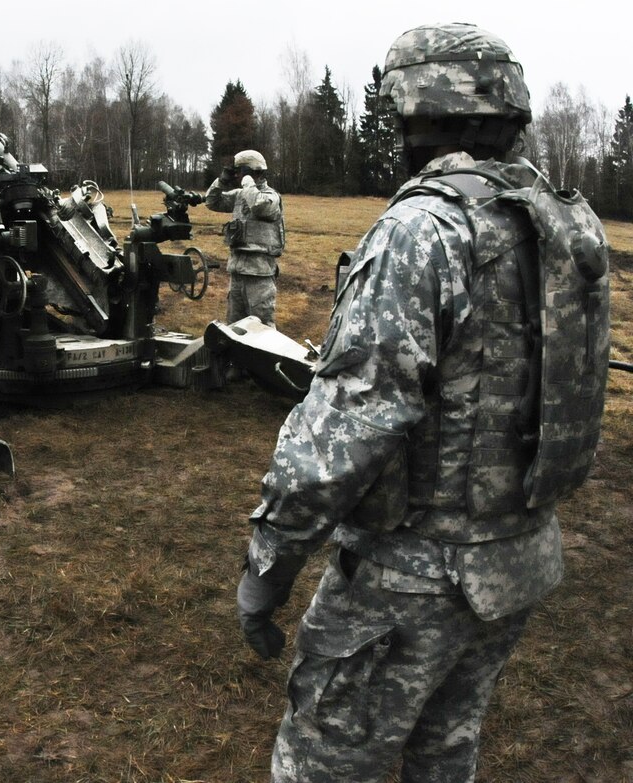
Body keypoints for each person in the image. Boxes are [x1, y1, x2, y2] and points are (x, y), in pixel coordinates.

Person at [235, 23, 609, 782]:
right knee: (445, 748)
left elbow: (346, 428)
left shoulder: (423, 230)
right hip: (517, 563)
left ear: (419, 113)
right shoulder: (565, 220)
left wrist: (268, 565)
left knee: (323, 764)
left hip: (409, 579)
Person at [205, 149, 285, 326]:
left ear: (252, 171)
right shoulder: (240, 195)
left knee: (261, 327)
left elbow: (258, 206)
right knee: (234, 327)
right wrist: (222, 180)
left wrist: (248, 180)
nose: (237, 175)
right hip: (237, 272)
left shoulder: (271, 197)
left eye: (240, 171)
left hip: (260, 274)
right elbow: (211, 201)